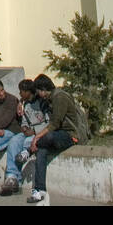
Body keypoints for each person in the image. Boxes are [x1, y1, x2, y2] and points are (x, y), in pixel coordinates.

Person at [27, 74, 82, 205]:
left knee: (47, 138)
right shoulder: (50, 98)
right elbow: (29, 97)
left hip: (70, 135)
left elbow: (55, 124)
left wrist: (36, 138)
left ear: (43, 89)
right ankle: (40, 190)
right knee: (41, 150)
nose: (39, 95)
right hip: (58, 134)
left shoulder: (59, 97)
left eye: (39, 91)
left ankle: (27, 151)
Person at [0, 79, 49, 195]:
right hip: (28, 132)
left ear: (28, 92)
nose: (20, 94)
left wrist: (35, 130)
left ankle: (25, 156)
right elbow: (24, 122)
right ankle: (12, 177)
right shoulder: (24, 104)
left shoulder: (42, 102)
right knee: (14, 141)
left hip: (40, 133)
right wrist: (25, 128)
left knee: (28, 142)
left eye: (21, 91)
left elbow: (49, 122)